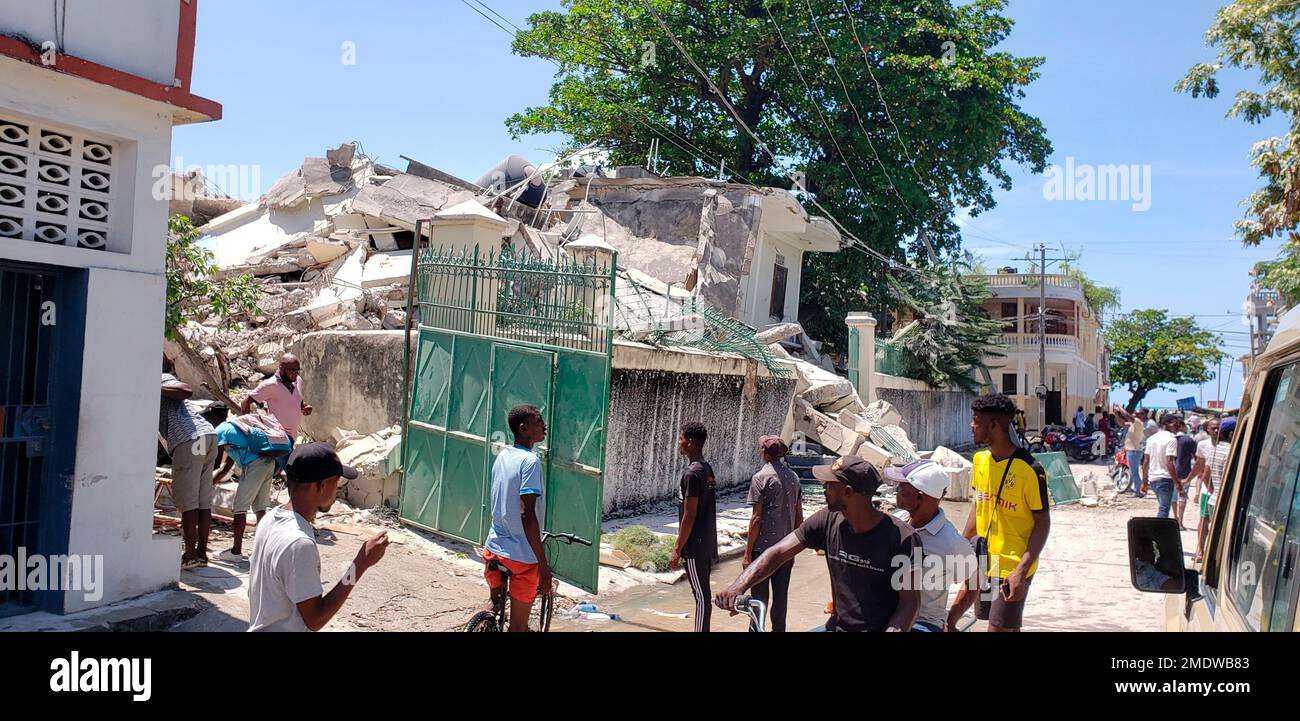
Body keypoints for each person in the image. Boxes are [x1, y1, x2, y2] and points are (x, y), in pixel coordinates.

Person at [714, 455, 920, 632]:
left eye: (829, 485)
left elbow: (910, 603)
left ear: (847, 492)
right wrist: (738, 586)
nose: (823, 489)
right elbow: (777, 553)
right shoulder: (827, 520)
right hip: (836, 627)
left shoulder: (905, 539)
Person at [248, 442, 387, 631]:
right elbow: (315, 619)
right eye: (336, 482)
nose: (337, 490)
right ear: (321, 485)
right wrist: (361, 564)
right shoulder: (299, 544)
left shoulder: (270, 518)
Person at [952, 394, 1050, 632]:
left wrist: (1021, 570)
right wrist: (961, 547)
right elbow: (978, 507)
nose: (971, 426)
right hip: (984, 559)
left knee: (998, 627)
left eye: (976, 420)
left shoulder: (1030, 470)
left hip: (1013, 566)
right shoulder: (980, 461)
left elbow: (1042, 523)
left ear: (994, 425)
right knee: (1002, 625)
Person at [885, 460, 977, 632]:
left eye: (902, 486)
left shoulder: (950, 543)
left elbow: (974, 582)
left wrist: (951, 622)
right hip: (886, 614)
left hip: (922, 623)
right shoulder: (896, 522)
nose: (896, 490)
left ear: (920, 496)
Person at [482, 404, 550, 632]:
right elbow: (527, 515)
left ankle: (488, 617)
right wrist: (543, 563)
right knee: (518, 627)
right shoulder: (530, 462)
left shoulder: (503, 455)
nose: (544, 425)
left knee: (496, 605)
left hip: (494, 548)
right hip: (521, 557)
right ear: (524, 428)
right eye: (539, 421)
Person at [742, 435, 802, 632]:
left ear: (765, 453)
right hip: (786, 549)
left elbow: (756, 519)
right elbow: (799, 517)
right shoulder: (794, 478)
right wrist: (795, 548)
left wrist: (747, 553)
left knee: (758, 600)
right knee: (781, 599)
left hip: (763, 550)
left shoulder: (760, 478)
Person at [212, 412, 290, 561]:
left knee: (240, 508)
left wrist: (206, 483)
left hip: (254, 465)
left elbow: (216, 463)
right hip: (269, 462)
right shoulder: (236, 429)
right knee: (260, 507)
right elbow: (227, 466)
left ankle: (236, 552)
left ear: (213, 420)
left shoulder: (220, 431)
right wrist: (212, 482)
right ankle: (262, 550)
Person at [161, 373, 219, 570]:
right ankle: (201, 553)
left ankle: (190, 555)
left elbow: (186, 390)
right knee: (202, 500)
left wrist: (154, 388)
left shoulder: (161, 378)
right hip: (207, 437)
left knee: (188, 501)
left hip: (190, 439)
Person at [669, 421, 717, 632]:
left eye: (680, 439)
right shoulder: (706, 469)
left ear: (690, 442)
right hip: (707, 542)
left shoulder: (691, 474)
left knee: (701, 595)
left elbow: (689, 514)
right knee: (704, 594)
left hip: (695, 546)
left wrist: (677, 549)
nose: (679, 443)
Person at [241, 353, 313, 443]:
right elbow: (245, 402)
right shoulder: (270, 385)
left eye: (297, 371)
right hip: (276, 437)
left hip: (292, 437)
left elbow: (297, 402)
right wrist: (246, 430)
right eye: (292, 371)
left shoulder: (298, 381)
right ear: (282, 369)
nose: (295, 374)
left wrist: (304, 408)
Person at [1190, 417, 1233, 564]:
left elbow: (1205, 473)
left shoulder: (1217, 450)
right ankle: (1201, 552)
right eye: (1213, 427)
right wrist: (1212, 491)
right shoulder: (1204, 445)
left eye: (1218, 427)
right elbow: (1200, 467)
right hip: (1209, 494)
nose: (1215, 430)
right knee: (1205, 522)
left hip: (1213, 495)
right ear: (1207, 429)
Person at [1142, 414, 1181, 519]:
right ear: (1166, 424)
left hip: (1153, 479)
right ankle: (1158, 532)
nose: (1178, 426)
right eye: (1175, 424)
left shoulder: (1151, 439)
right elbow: (1169, 462)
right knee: (1164, 509)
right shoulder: (1171, 439)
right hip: (1165, 479)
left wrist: (1144, 482)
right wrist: (1177, 482)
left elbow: (1146, 462)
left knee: (1162, 507)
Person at [1173, 417, 1198, 531]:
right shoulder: (1188, 440)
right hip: (1184, 471)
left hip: (1170, 472)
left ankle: (1175, 518)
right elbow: (1196, 457)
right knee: (1182, 497)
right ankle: (1180, 522)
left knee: (1173, 498)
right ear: (1182, 426)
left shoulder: (1171, 439)